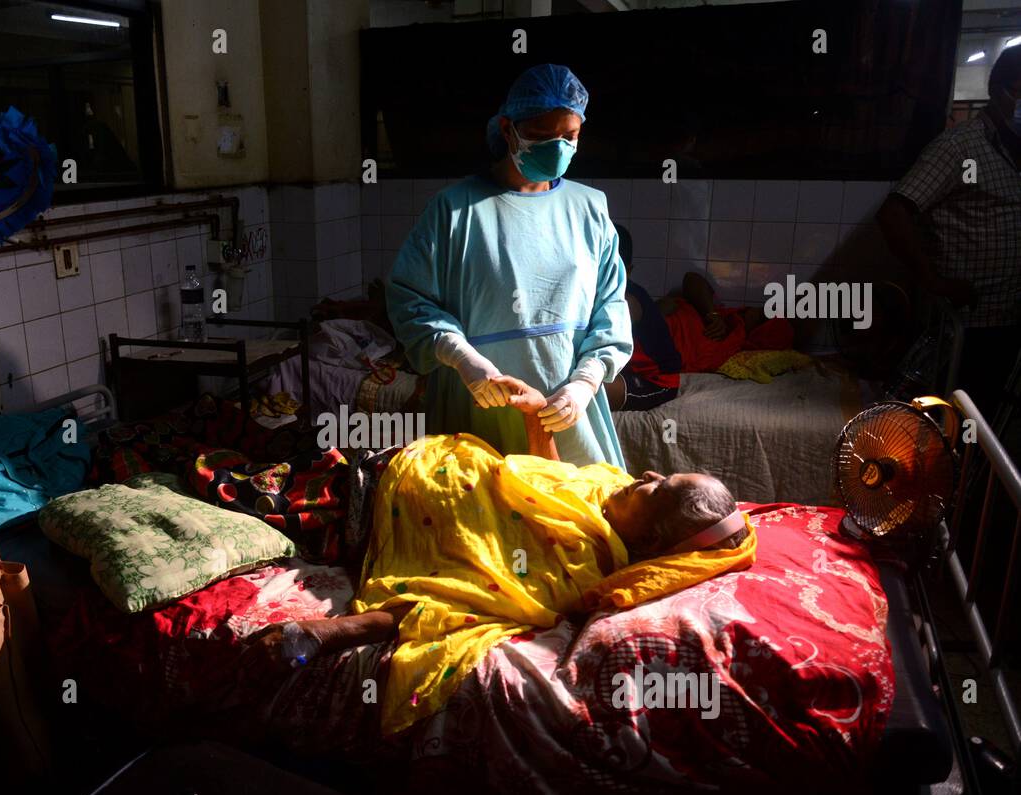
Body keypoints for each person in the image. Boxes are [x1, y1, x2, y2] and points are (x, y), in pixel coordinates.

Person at [241, 430, 755, 734]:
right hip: (405, 461)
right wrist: (537, 419)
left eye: (658, 488)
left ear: (654, 536)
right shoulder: (609, 489)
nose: (644, 476)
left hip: (371, 507)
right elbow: (544, 478)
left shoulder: (580, 562)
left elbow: (466, 594)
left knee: (244, 489)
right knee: (264, 444)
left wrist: (330, 631)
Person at [386, 64, 632, 467]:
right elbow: (409, 299)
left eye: (569, 137)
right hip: (477, 405)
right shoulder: (455, 210)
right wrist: (462, 357)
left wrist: (586, 383)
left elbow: (611, 306)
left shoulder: (590, 209)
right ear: (507, 129)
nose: (557, 147)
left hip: (567, 411)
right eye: (540, 135)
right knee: (480, 519)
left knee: (577, 521)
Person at [876, 46, 1021, 424]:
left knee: (987, 422)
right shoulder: (961, 147)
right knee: (951, 425)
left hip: (1008, 318)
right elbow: (895, 213)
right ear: (1004, 90)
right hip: (968, 324)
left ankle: (971, 481)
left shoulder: (1014, 153)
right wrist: (933, 281)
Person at [605, 225, 794, 411]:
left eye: (761, 317)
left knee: (592, 390)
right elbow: (692, 278)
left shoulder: (726, 344)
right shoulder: (717, 313)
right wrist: (711, 314)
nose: (755, 312)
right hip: (647, 328)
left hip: (654, 366)